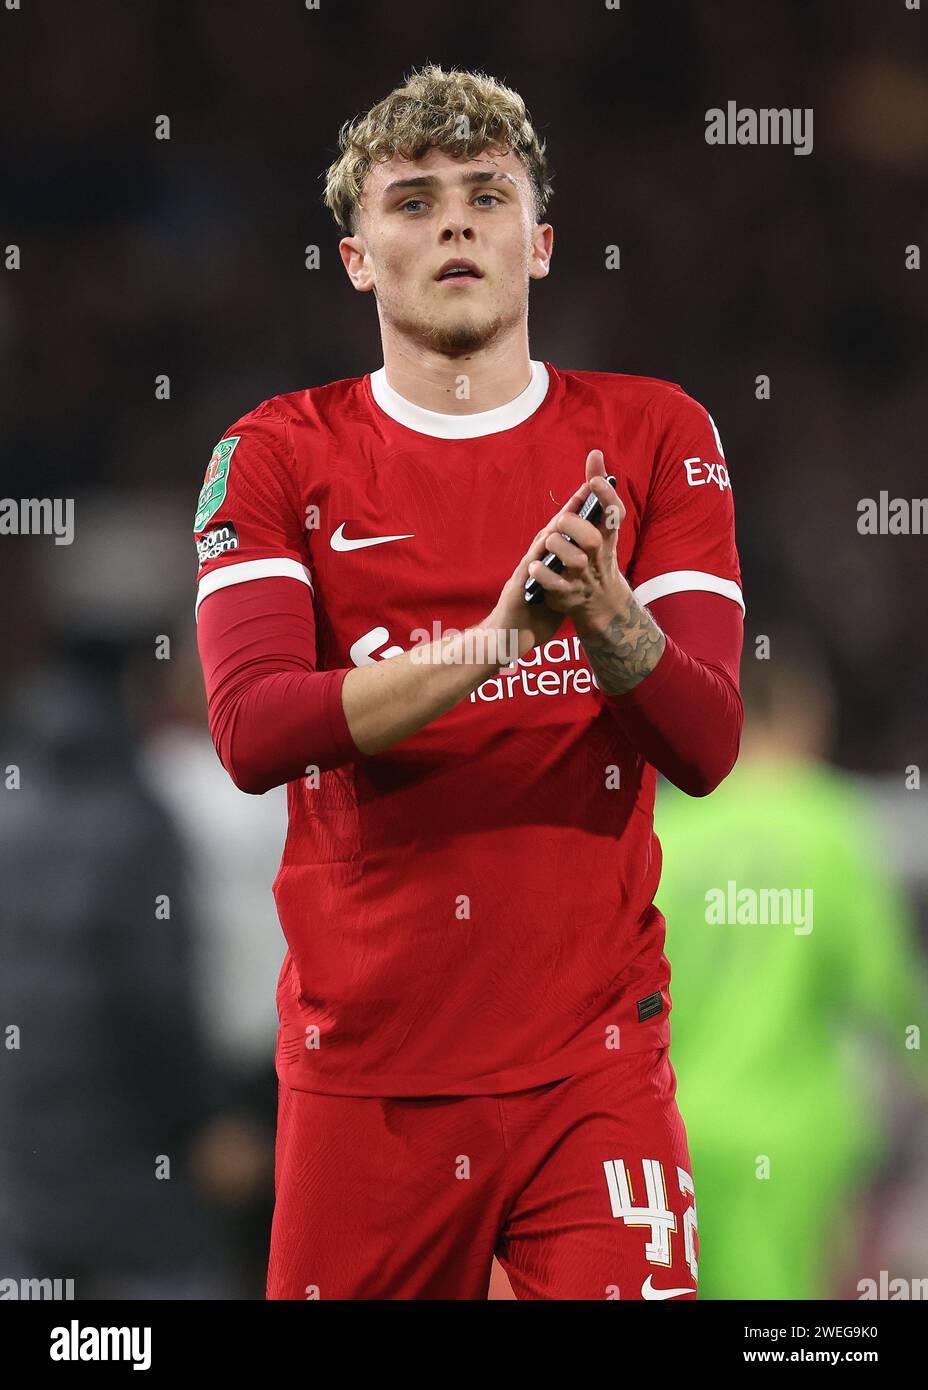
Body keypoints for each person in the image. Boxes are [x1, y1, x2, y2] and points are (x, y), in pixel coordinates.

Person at [193, 65, 744, 1300]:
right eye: (414, 199)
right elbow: (250, 725)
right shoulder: (272, 453)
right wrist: (497, 637)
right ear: (354, 256)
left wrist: (605, 616)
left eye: (487, 195)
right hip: (367, 1080)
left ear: (539, 245)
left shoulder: (657, 434)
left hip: (592, 1069)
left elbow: (706, 738)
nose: (454, 221)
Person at [654, 630, 928, 1300]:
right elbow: (890, 995)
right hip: (792, 1141)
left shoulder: (663, 828)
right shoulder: (828, 829)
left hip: (669, 1136)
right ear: (804, 717)